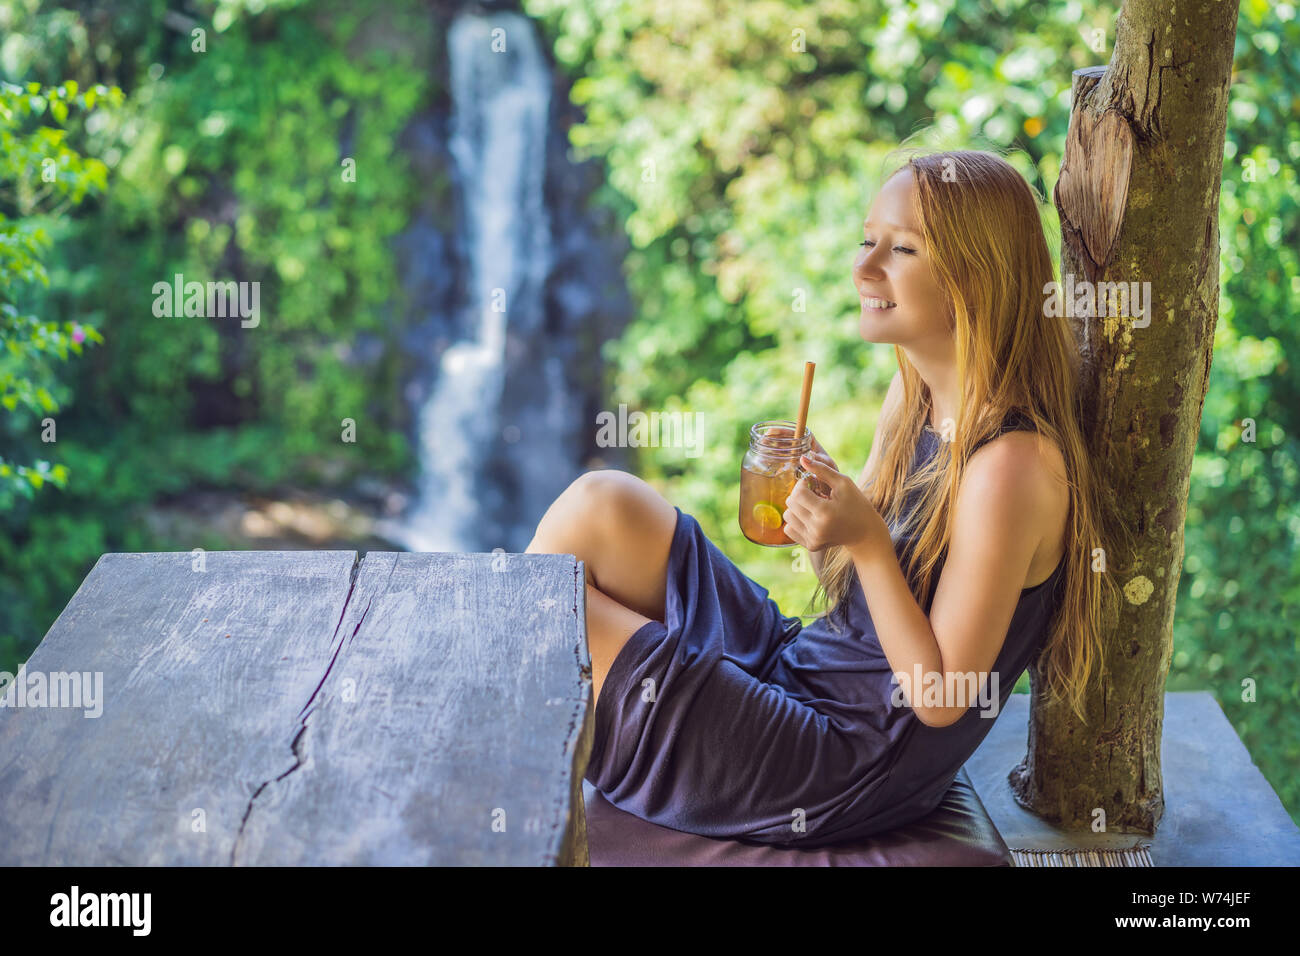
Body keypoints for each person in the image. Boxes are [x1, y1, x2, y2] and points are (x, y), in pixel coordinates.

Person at [525, 149, 1116, 846]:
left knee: (547, 615)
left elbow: (942, 701)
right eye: (868, 241)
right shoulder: (913, 396)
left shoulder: (1011, 467)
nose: (864, 269)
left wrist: (865, 541)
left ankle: (486, 788)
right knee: (602, 502)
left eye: (901, 249)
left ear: (975, 280)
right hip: (801, 667)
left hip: (837, 757)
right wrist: (827, 520)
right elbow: (854, 597)